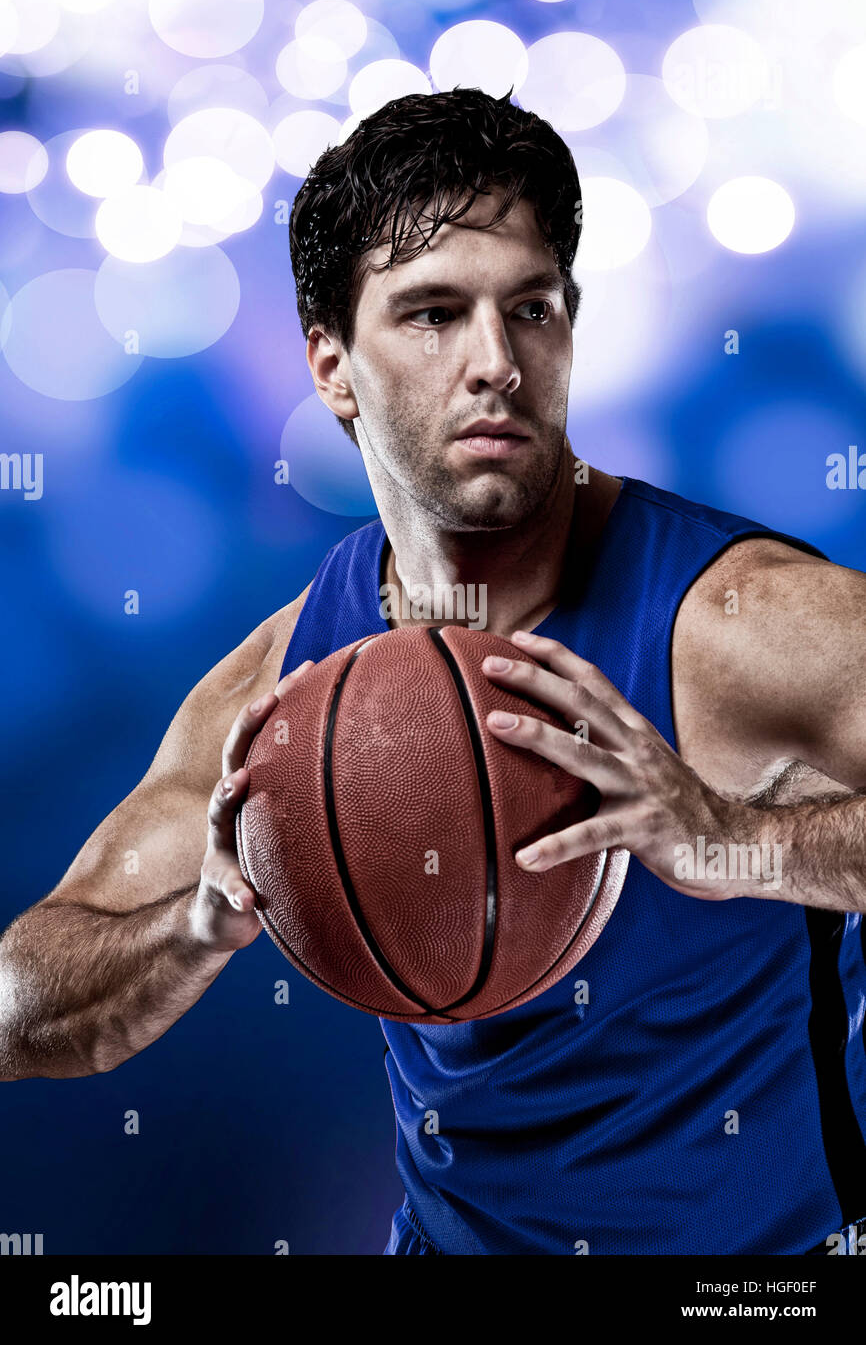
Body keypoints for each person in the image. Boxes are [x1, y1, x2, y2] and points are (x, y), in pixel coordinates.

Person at [1, 88, 865, 1257]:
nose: (494, 363)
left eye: (531, 309)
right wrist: (190, 931)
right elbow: (19, 1005)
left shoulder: (736, 619)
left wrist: (733, 841)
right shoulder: (291, 679)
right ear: (331, 365)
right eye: (431, 315)